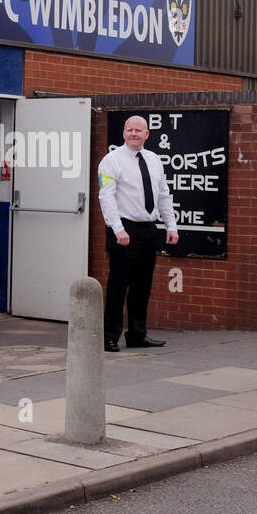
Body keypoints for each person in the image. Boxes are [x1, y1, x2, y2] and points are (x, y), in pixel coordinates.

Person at [97, 116, 179, 352]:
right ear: (123, 133)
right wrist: (117, 228)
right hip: (124, 229)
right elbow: (106, 196)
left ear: (147, 134)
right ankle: (109, 337)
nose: (133, 134)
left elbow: (164, 194)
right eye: (129, 130)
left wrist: (171, 225)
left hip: (148, 229)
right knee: (118, 285)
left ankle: (136, 334)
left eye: (138, 130)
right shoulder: (111, 161)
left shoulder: (154, 160)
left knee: (142, 285)